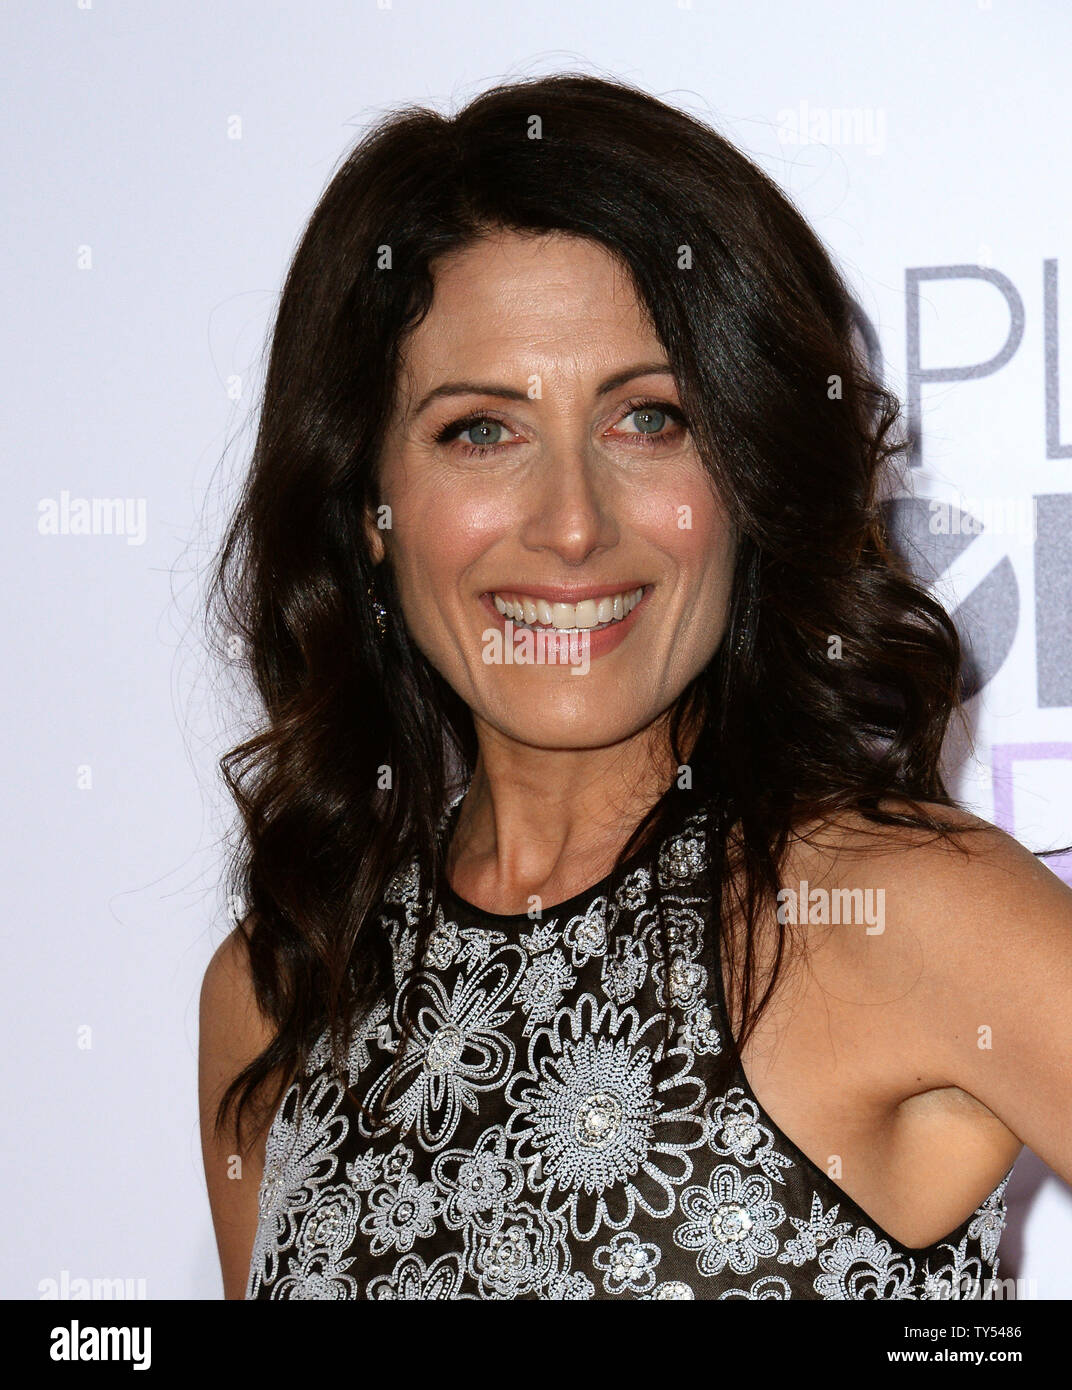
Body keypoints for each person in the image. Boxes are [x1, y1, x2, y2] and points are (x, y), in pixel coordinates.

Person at [198, 73, 1072, 1300]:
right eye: (479, 430)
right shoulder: (282, 989)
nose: (569, 526)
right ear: (369, 509)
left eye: (647, 418)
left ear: (747, 469)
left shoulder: (900, 911)